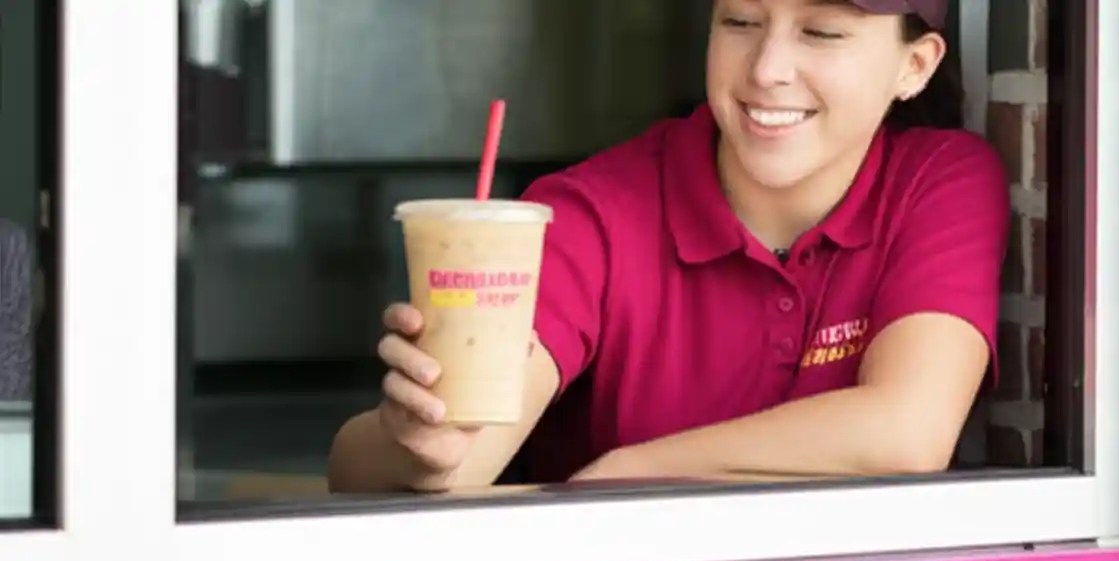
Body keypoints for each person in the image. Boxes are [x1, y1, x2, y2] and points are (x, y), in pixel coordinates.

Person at [329, 0, 1009, 492]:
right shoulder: (590, 214)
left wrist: (633, 469)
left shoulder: (938, 182)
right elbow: (458, 458)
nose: (768, 69)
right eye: (740, 21)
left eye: (822, 31)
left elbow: (908, 430)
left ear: (914, 66)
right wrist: (418, 445)